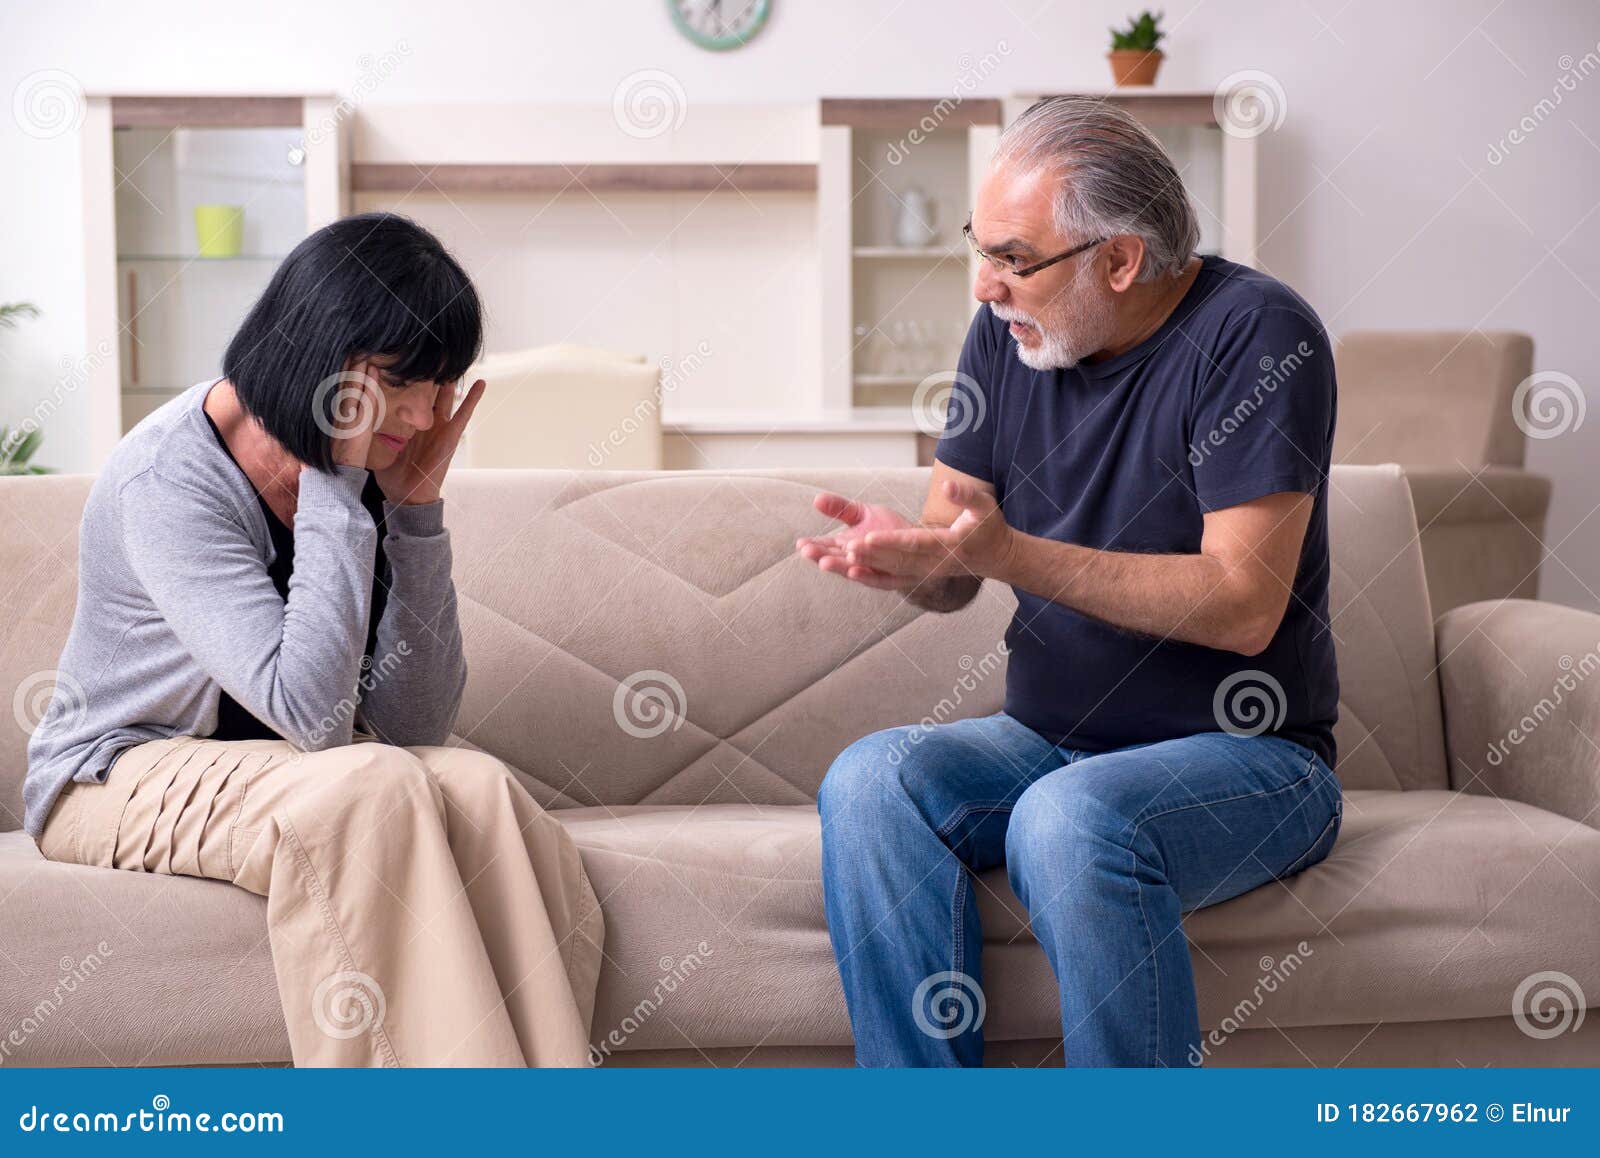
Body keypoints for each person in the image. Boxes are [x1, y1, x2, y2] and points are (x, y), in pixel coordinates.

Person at [799, 97, 1342, 1067]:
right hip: (1044, 742)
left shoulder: (1255, 335)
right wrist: (914, 560)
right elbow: (958, 553)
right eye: (979, 248)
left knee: (1070, 816)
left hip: (1252, 762)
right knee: (870, 780)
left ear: (1119, 260)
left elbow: (1242, 606)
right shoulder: (1004, 338)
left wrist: (1004, 553)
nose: (983, 284)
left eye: (1012, 258)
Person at [24, 212, 602, 1067]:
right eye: (403, 380)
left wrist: (414, 513)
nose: (422, 411)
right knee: (368, 786)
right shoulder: (172, 478)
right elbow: (318, 719)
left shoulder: (367, 464)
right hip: (115, 769)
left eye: (439, 383)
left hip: (281, 769)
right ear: (319, 354)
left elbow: (413, 725)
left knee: (478, 787)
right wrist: (339, 476)